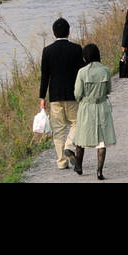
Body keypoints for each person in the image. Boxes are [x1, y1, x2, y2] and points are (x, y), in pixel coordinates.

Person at [38, 17, 86, 171]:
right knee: (77, 123)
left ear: (53, 33)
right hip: (73, 95)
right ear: (69, 32)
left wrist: (42, 98)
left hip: (55, 96)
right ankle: (69, 145)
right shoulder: (77, 49)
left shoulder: (47, 51)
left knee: (58, 129)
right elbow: (82, 72)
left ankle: (61, 162)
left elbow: (45, 76)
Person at [71, 43, 116, 179]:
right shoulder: (105, 71)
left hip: (86, 106)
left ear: (85, 58)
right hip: (102, 105)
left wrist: (82, 99)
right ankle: (99, 171)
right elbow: (108, 89)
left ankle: (79, 166)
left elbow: (77, 93)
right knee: (101, 141)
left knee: (81, 138)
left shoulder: (82, 72)